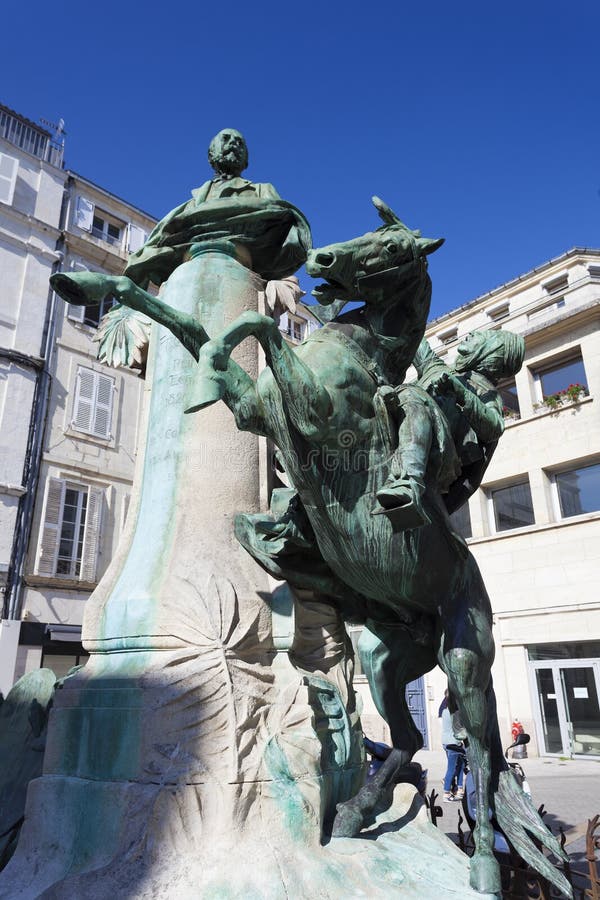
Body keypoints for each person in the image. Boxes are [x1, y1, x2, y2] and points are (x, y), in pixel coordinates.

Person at [122, 128, 310, 289]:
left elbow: (281, 217)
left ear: (246, 161)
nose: (233, 144)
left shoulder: (261, 190)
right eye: (226, 139)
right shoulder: (193, 201)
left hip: (239, 271)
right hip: (190, 276)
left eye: (239, 142)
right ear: (211, 153)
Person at [374, 330, 525, 527]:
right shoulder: (436, 369)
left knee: (412, 395)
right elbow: (415, 336)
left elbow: (495, 428)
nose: (473, 333)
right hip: (394, 429)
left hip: (438, 456)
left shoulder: (487, 393)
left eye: (484, 335)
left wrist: (460, 392)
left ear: (491, 352)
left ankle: (408, 481)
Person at [439, 690, 465, 802]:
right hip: (454, 742)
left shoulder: (444, 711)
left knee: (460, 764)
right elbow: (460, 729)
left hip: (445, 741)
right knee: (452, 768)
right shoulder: (456, 713)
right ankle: (446, 793)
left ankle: (459, 789)